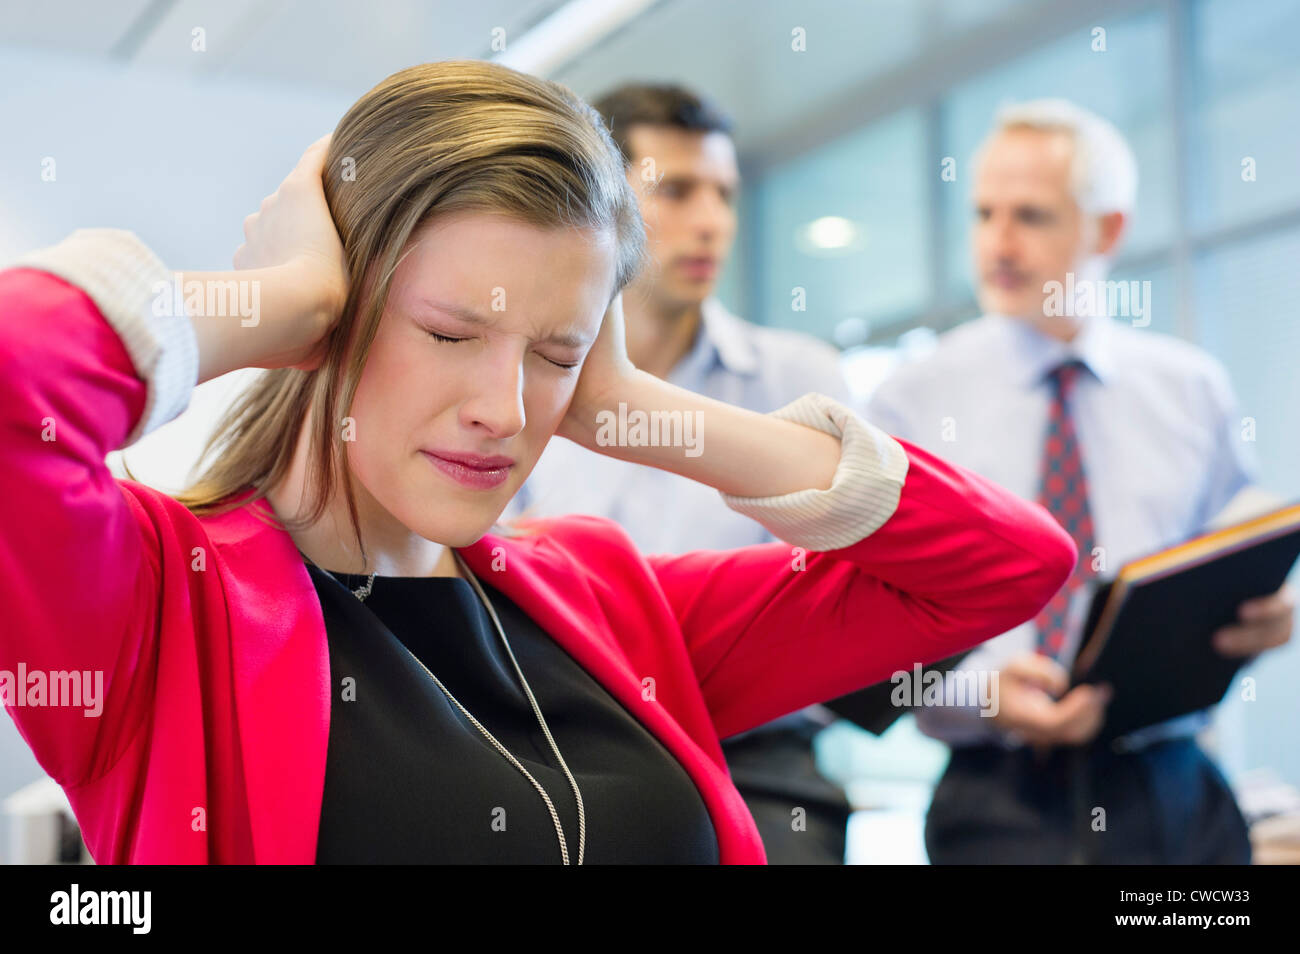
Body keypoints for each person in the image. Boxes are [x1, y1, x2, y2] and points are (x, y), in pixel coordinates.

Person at [0, 61, 1075, 865]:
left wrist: (627, 407)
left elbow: (1005, 565)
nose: (503, 411)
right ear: (339, 317)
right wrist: (282, 301)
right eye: (449, 333)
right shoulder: (157, 609)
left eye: (556, 352)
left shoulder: (606, 600)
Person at [865, 98, 1294, 864]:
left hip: (1173, 793)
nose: (998, 242)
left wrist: (1271, 610)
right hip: (995, 794)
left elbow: (1239, 548)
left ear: (1109, 230)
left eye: (1030, 215)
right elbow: (869, 621)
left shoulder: (1189, 387)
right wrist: (982, 696)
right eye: (983, 212)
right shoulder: (914, 398)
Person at [502, 82, 862, 864]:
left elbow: (854, 579)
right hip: (572, 741)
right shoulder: (530, 379)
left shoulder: (801, 379)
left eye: (726, 195)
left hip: (759, 754)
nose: (711, 221)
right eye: (680, 190)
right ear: (607, 204)